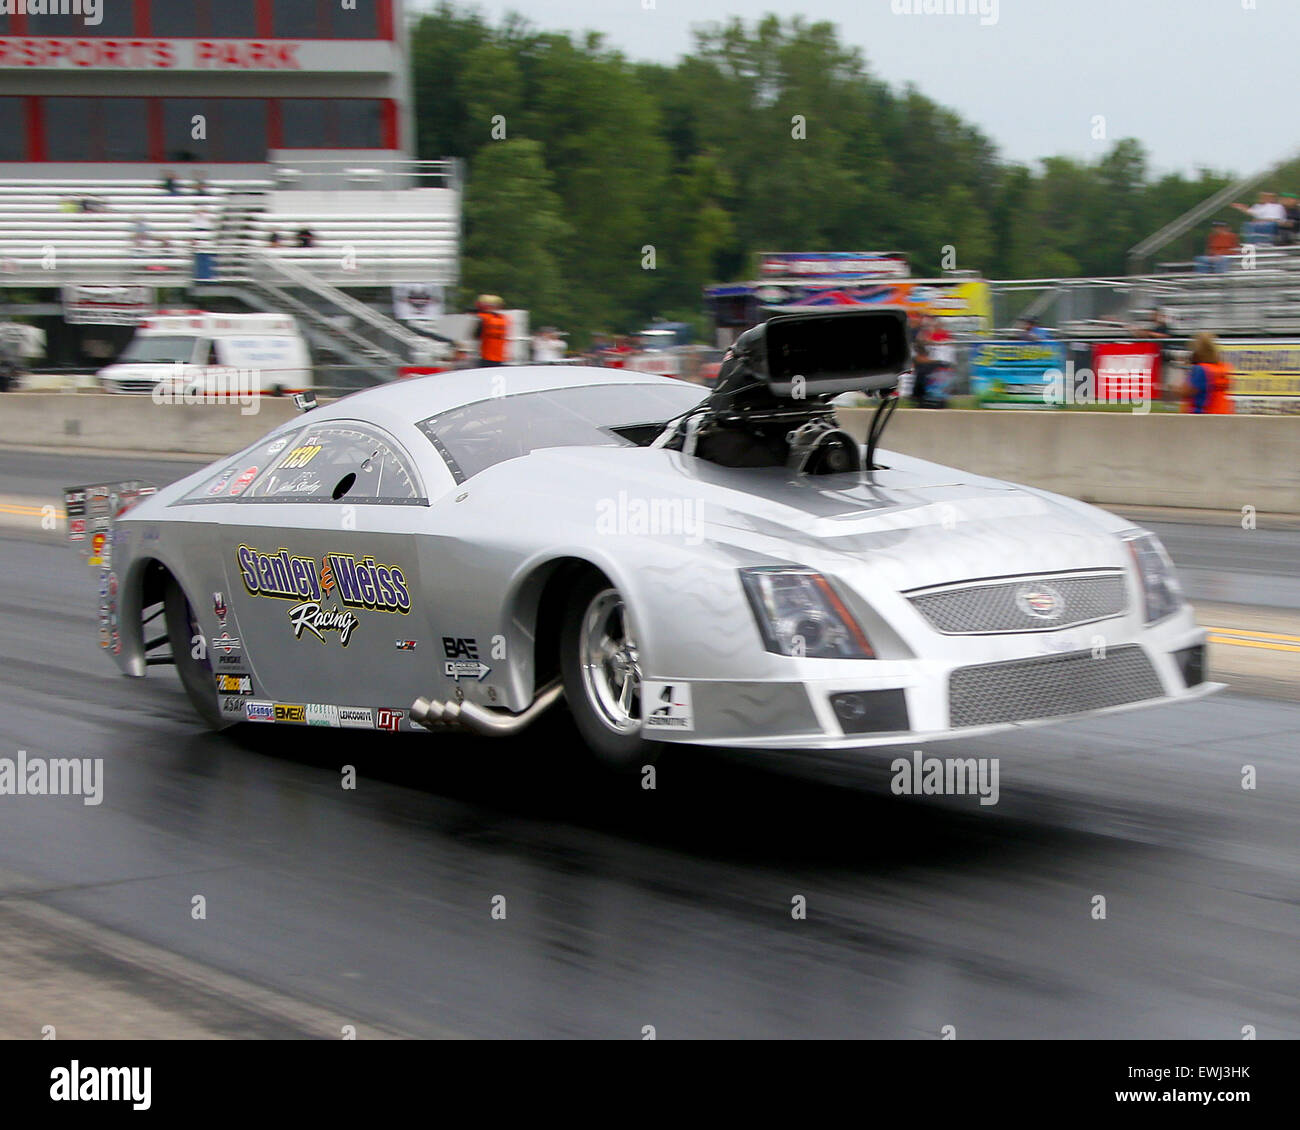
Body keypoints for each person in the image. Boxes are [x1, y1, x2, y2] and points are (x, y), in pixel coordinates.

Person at [1182, 332, 1234, 414]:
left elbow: (1186, 392)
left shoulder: (1201, 369)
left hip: (1202, 415)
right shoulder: (1223, 368)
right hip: (1223, 413)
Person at [471, 294, 508, 367]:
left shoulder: (483, 318)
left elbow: (476, 335)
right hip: (500, 357)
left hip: (486, 357)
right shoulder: (503, 319)